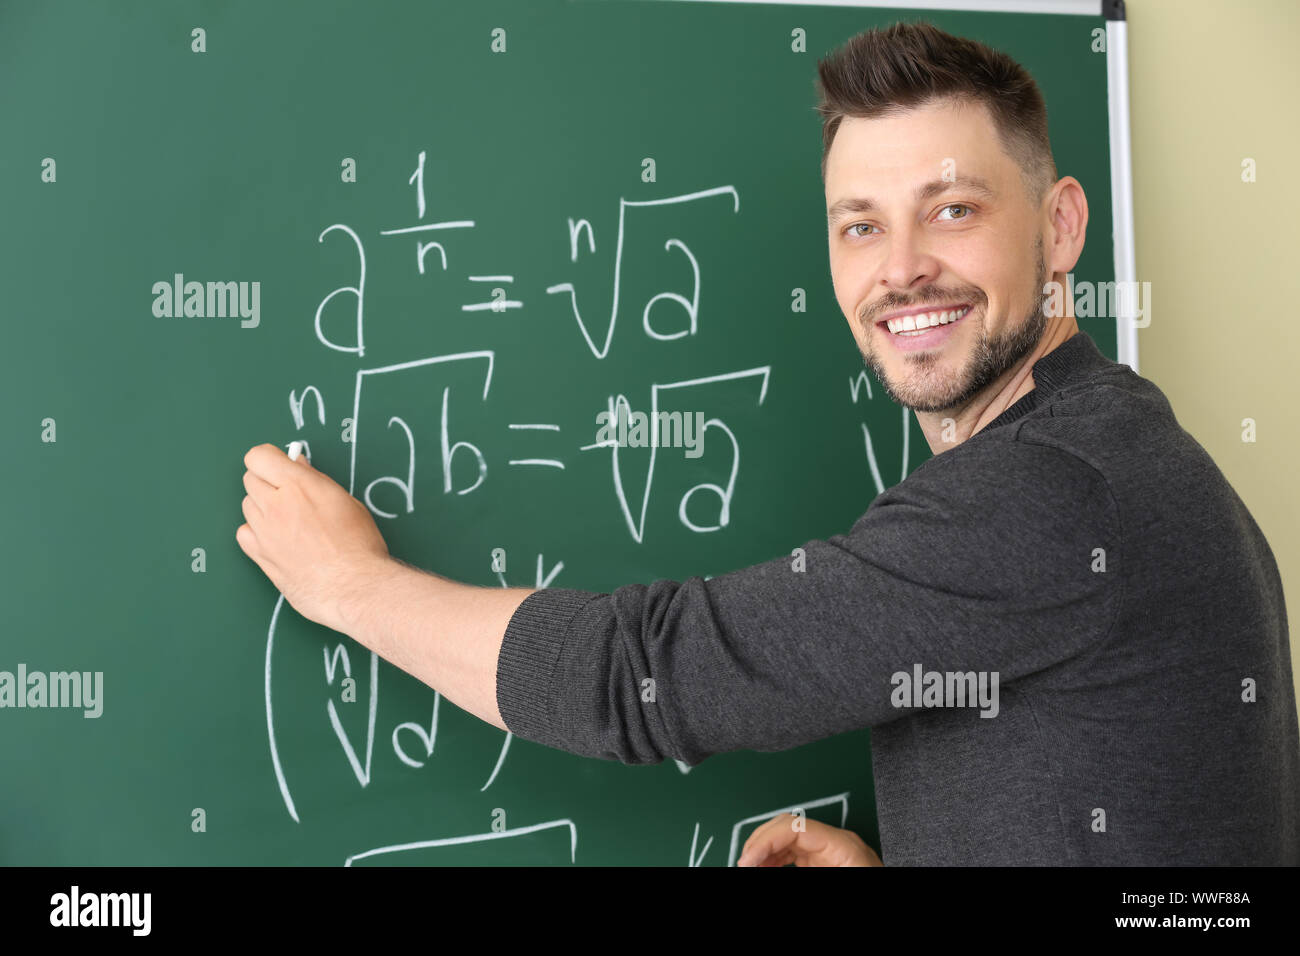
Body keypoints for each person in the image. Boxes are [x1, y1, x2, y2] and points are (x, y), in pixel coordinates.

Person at [237, 21, 1299, 866]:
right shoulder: (1110, 444)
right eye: (859, 224)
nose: (902, 268)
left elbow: (648, 674)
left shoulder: (1048, 489)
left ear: (1060, 225)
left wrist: (346, 582)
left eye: (954, 208)